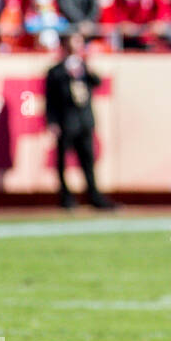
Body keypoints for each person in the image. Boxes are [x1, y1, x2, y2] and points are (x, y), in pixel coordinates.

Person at [44, 32, 114, 210]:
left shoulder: (83, 67)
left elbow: (97, 82)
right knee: (62, 161)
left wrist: (85, 68)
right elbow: (50, 99)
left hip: (84, 121)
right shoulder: (56, 71)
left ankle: (93, 194)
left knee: (88, 160)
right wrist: (52, 121)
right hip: (65, 121)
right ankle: (65, 196)